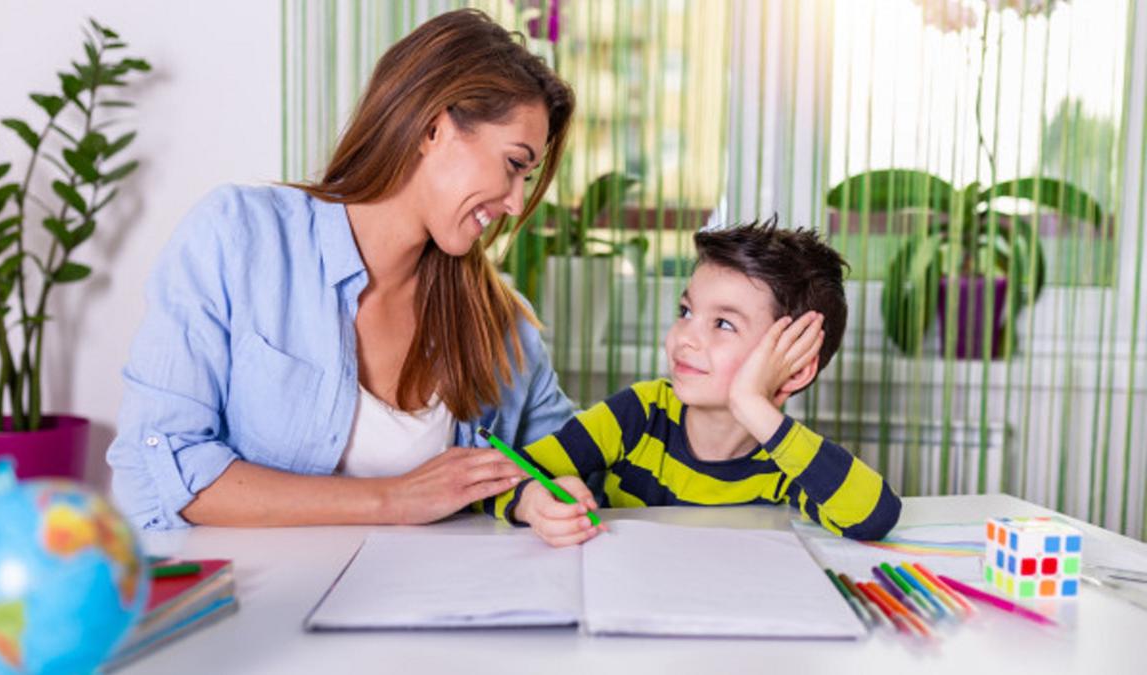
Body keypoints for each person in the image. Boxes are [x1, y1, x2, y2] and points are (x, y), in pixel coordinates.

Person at [107, 9, 577, 530]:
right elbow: (160, 465)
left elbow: (572, 465)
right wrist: (392, 501)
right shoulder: (240, 240)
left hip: (442, 585)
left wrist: (547, 493)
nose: (516, 203)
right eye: (514, 164)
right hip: (262, 584)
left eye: (527, 178)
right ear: (433, 128)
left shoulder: (501, 327)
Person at [485, 218, 903, 545]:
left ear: (794, 369)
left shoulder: (787, 457)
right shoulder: (637, 414)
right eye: (686, 311)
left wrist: (752, 405)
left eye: (723, 324)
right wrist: (531, 502)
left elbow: (874, 517)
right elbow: (502, 475)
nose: (686, 337)